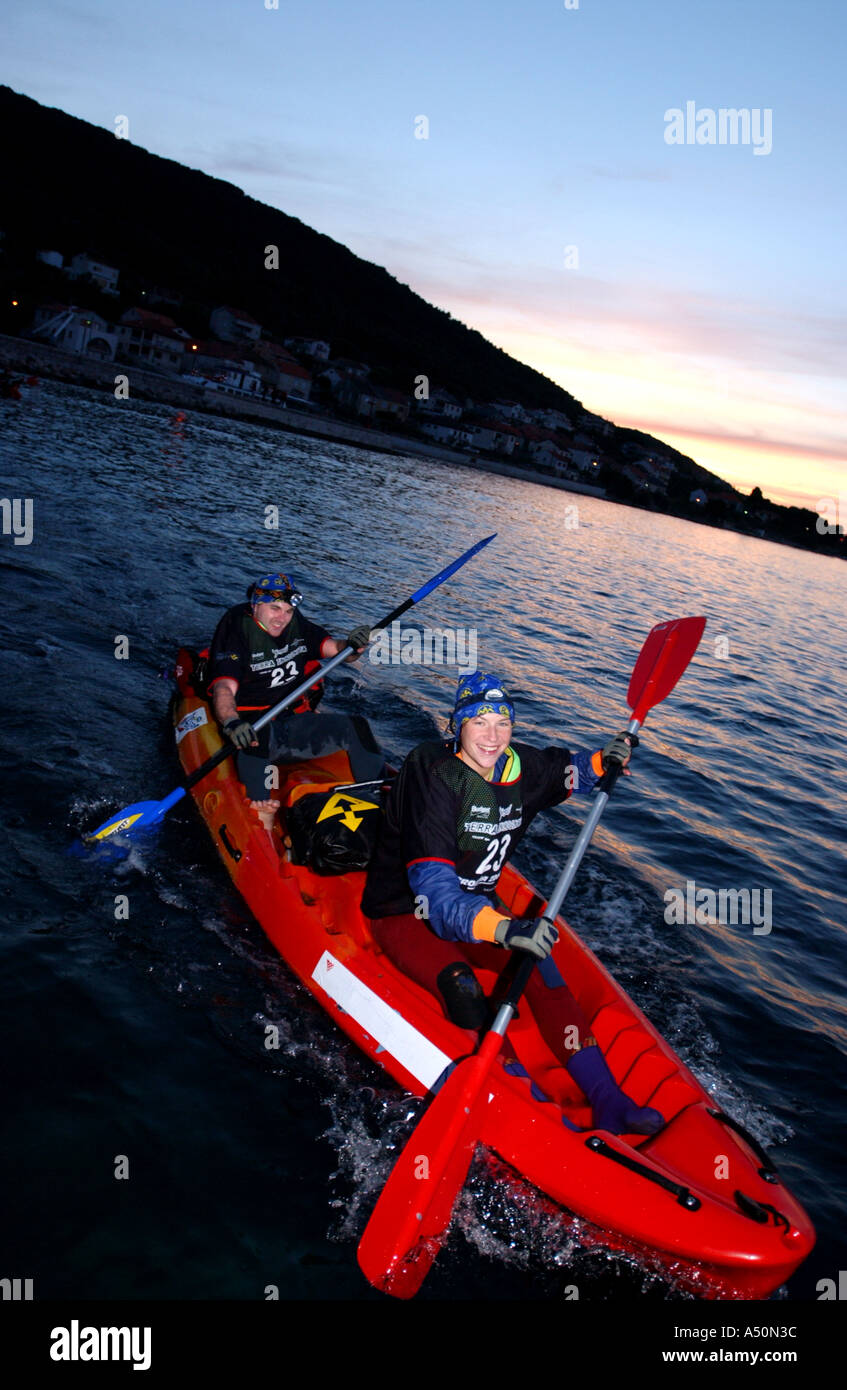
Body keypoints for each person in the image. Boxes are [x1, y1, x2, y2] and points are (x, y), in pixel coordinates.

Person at [361, 670, 664, 1136]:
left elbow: (571, 772)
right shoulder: (432, 774)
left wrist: (608, 759)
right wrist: (506, 930)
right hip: (406, 909)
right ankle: (531, 1109)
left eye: (503, 722)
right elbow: (435, 894)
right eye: (479, 721)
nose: (492, 735)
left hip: (478, 903)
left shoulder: (520, 766)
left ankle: (609, 1099)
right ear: (455, 725)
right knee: (463, 989)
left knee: (540, 969)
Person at [208, 571, 383, 834]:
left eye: (288, 611)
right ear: (256, 605)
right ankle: (259, 813)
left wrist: (353, 646)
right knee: (256, 735)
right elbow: (224, 687)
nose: (281, 618)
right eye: (274, 608)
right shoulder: (236, 627)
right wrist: (231, 721)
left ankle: (374, 801)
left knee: (356, 726)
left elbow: (333, 649)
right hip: (251, 721)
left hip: (291, 720)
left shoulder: (294, 624)